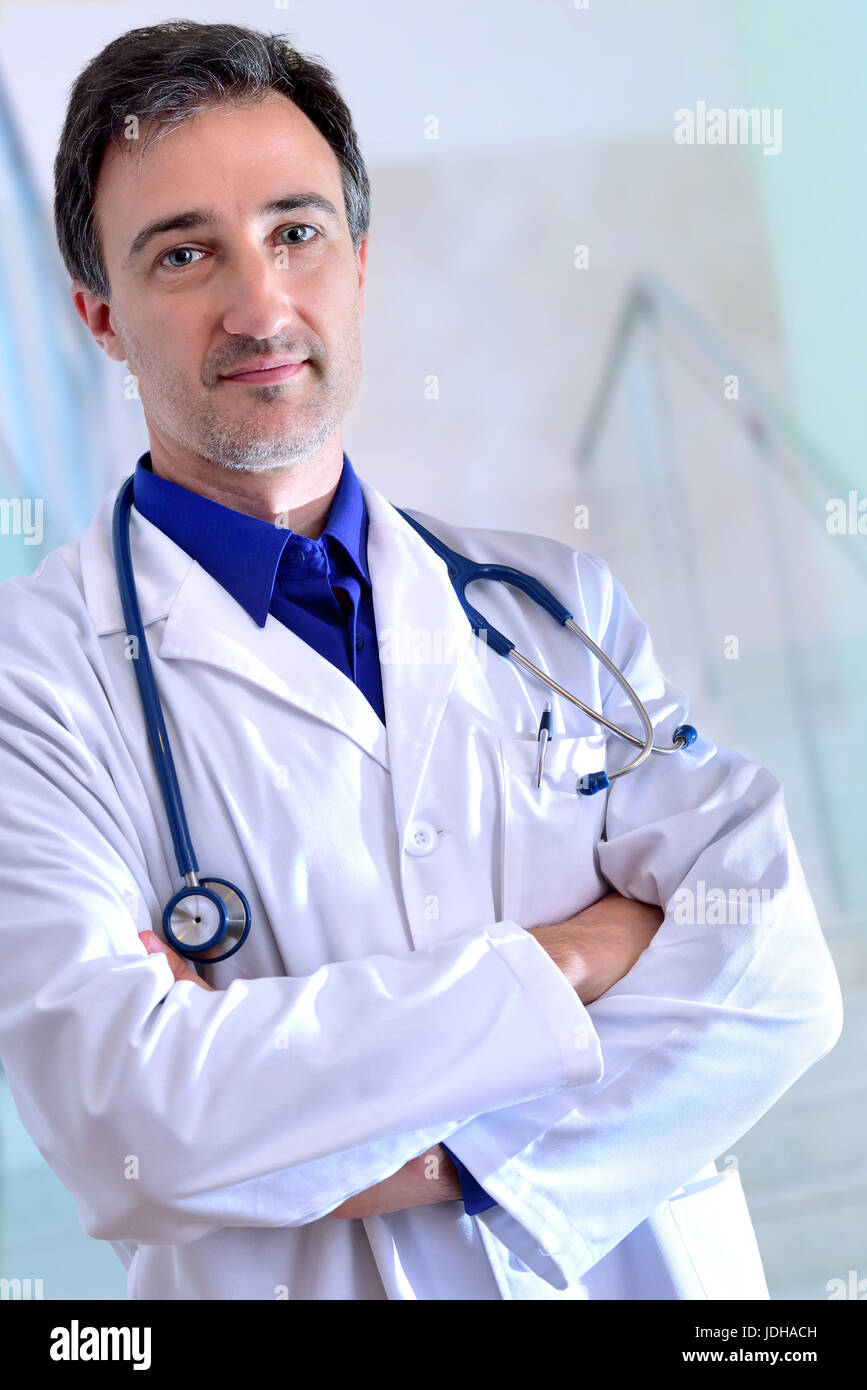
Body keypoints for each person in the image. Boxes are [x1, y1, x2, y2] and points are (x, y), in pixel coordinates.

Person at [0, 21, 842, 1301]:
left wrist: (389, 1151)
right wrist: (570, 959)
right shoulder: (38, 682)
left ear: (358, 259)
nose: (259, 303)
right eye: (185, 254)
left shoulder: (558, 607)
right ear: (101, 318)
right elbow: (137, 1129)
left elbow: (778, 967)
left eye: (297, 231)